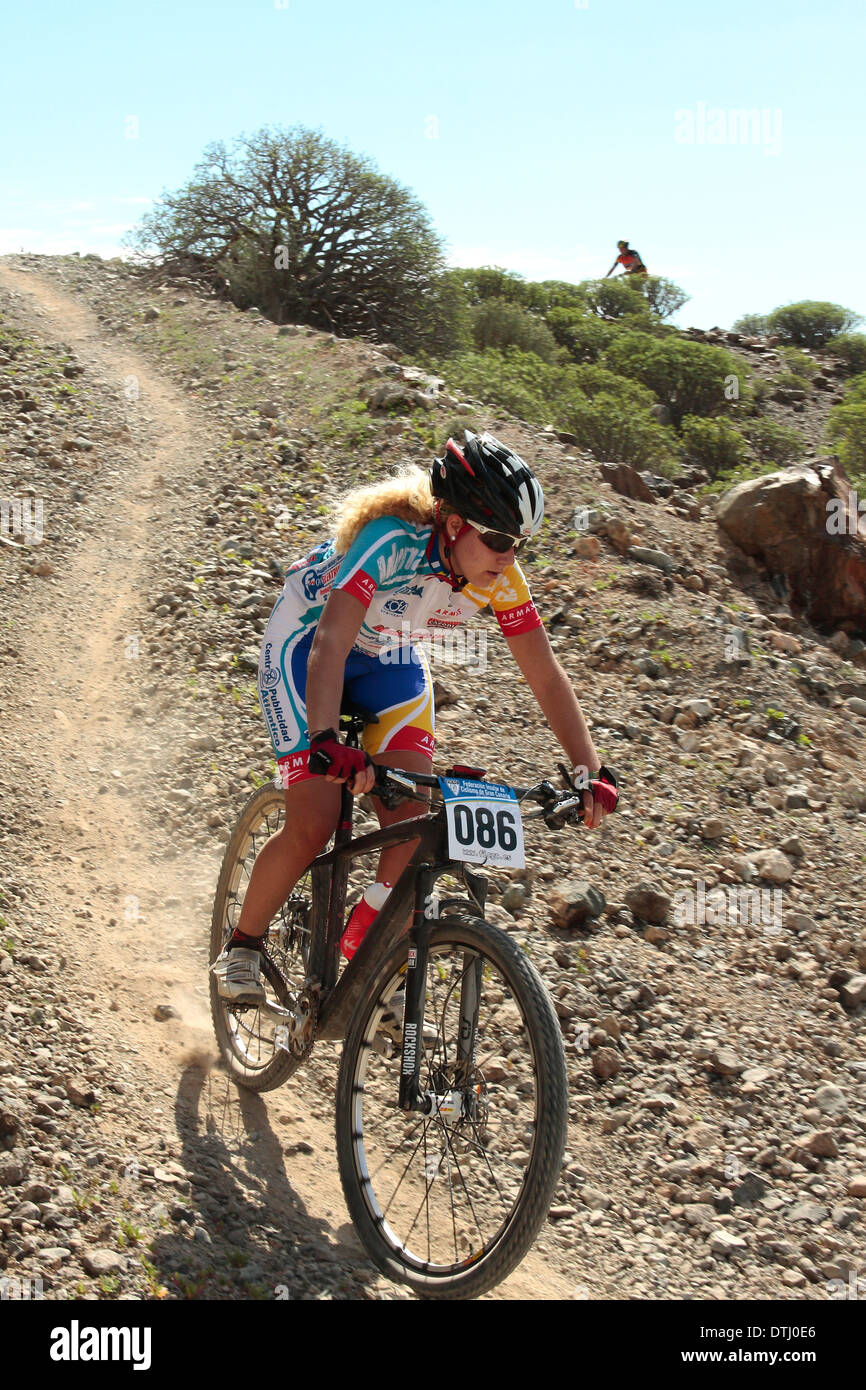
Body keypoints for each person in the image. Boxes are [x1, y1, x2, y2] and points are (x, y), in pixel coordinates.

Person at [214, 431, 618, 1003]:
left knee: (411, 821)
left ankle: (363, 953)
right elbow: (331, 639)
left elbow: (545, 674)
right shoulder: (392, 540)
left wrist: (588, 772)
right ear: (454, 525)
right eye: (499, 538)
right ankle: (244, 946)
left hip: (386, 658)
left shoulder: (502, 576)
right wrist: (326, 739)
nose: (508, 557)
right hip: (307, 646)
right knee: (316, 820)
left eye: (519, 545)